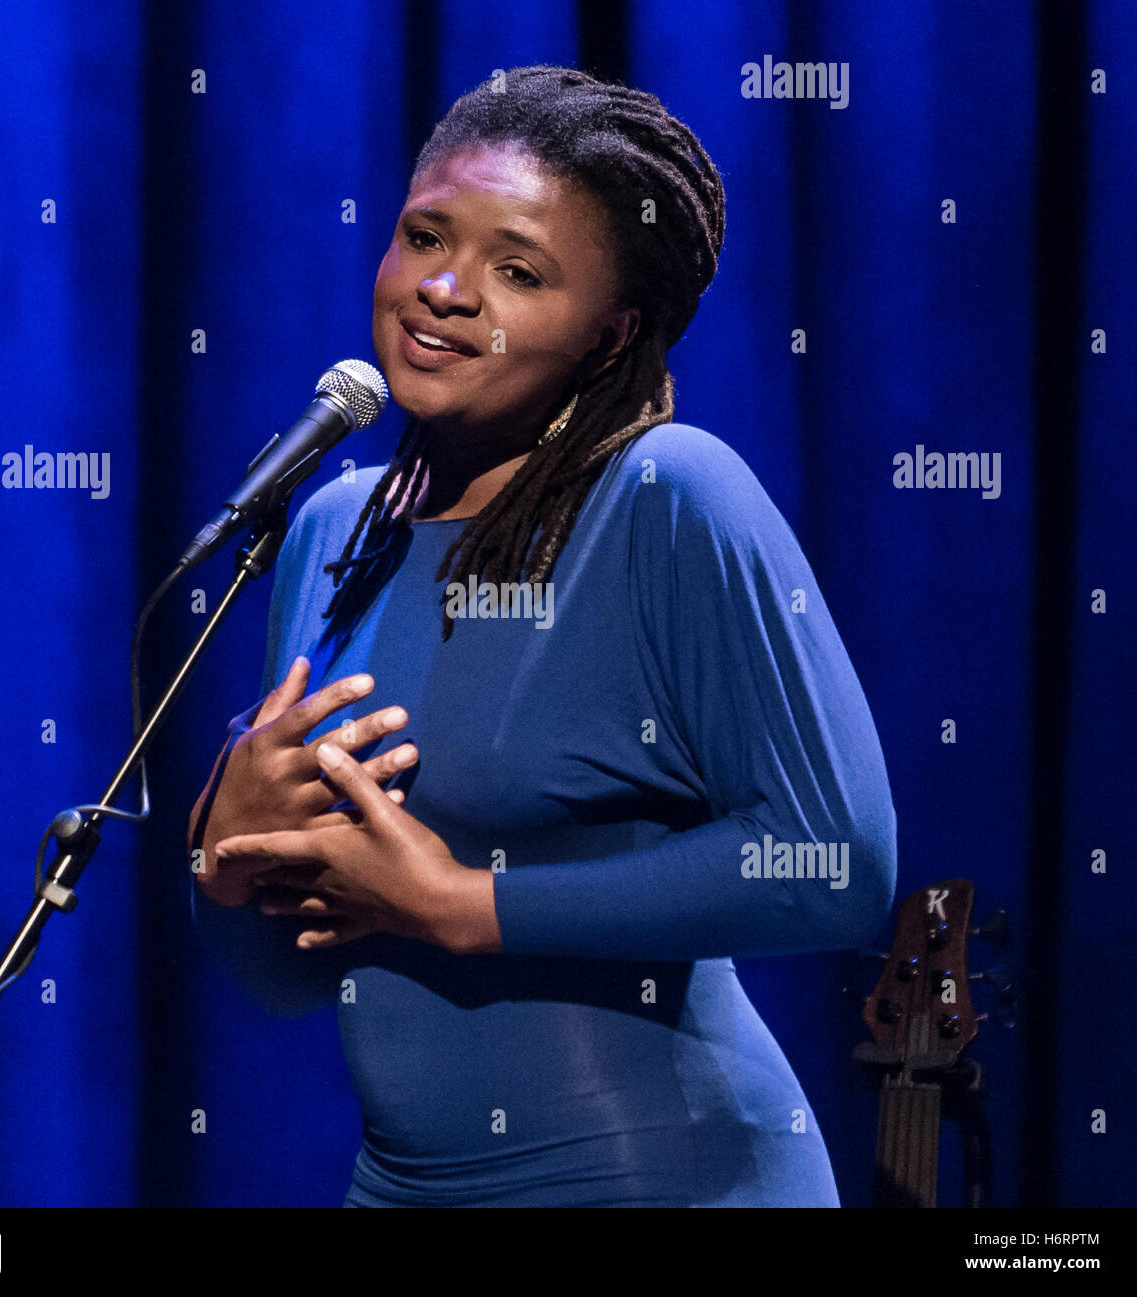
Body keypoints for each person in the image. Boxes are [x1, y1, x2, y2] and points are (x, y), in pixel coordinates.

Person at [188, 65, 897, 1207]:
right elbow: (288, 982)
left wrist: (466, 908)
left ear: (609, 336)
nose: (447, 289)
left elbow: (838, 864)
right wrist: (225, 861)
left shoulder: (668, 495)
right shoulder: (333, 525)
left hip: (664, 1177)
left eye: (519, 271)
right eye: (425, 236)